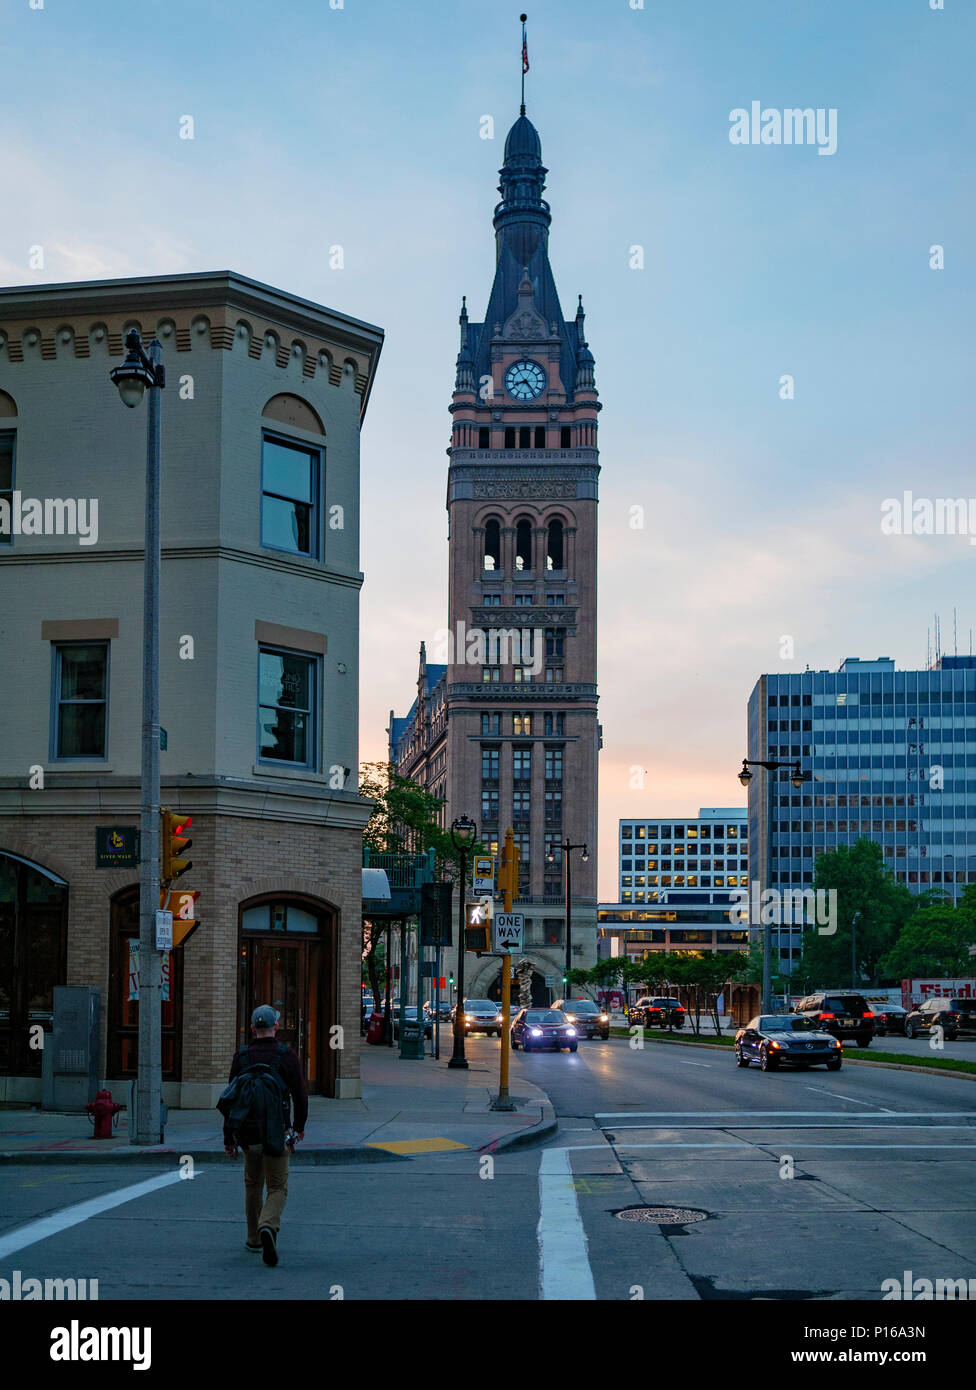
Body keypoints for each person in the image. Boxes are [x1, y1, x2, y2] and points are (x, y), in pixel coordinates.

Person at [223, 1005, 308, 1267]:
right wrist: (298, 1126)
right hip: (276, 1132)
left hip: (248, 1134)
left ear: (251, 1028)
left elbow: (231, 1099)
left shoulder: (242, 1056)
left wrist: (229, 1137)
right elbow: (300, 1094)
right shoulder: (286, 1055)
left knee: (252, 1184)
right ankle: (268, 1226)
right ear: (276, 1027)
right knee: (277, 1186)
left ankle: (253, 1239)